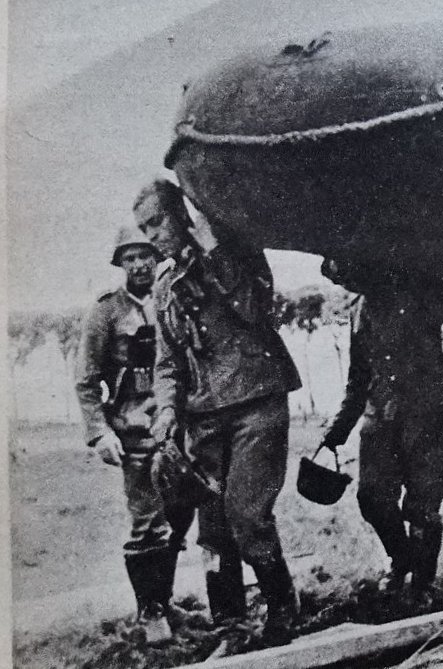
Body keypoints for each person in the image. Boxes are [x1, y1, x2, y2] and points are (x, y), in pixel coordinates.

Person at [139, 178, 303, 646]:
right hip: (203, 418)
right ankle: (230, 623)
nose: (151, 236)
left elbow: (255, 311)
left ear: (184, 215)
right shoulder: (164, 283)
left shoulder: (237, 253)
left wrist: (211, 249)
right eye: (143, 228)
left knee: (247, 516)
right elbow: (166, 360)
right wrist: (166, 411)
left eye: (157, 222)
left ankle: (281, 608)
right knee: (212, 530)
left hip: (256, 402)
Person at [75, 223, 195, 644]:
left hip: (181, 430)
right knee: (147, 523)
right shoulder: (107, 311)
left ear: (158, 256)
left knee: (180, 517)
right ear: (120, 263)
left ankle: (165, 600)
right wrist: (99, 433)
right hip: (135, 433)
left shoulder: (174, 298)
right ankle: (150, 612)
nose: (140, 264)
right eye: (130, 257)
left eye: (146, 254)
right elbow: (86, 382)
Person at [319, 260, 443, 604]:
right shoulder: (361, 309)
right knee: (372, 497)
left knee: (423, 504)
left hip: (423, 410)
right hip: (380, 415)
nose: (345, 281)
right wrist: (338, 430)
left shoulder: (420, 284)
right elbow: (359, 376)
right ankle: (401, 561)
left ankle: (422, 582)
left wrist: (423, 272)